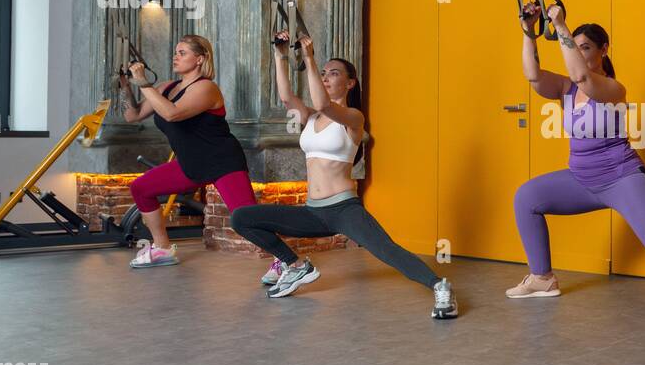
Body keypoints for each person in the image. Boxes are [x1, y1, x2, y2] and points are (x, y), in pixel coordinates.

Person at [510, 2, 645, 328]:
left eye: (586, 47)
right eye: (576, 47)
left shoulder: (612, 88)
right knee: (526, 198)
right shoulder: (565, 89)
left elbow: (582, 75)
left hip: (621, 177)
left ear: (603, 50)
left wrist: (562, 27)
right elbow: (532, 75)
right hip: (581, 179)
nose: (580, 53)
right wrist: (530, 32)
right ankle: (542, 278)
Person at [230, 32, 457, 318]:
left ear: (350, 83)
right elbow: (287, 97)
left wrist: (310, 58)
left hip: (343, 209)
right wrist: (280, 54)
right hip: (312, 212)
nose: (325, 77)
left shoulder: (353, 117)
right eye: (323, 73)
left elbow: (326, 104)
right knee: (241, 218)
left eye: (333, 73)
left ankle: (440, 287)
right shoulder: (310, 117)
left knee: (385, 250)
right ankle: (296, 266)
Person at [120, 34, 254, 269]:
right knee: (141, 188)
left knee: (247, 219)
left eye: (183, 53)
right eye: (175, 52)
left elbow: (172, 113)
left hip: (221, 162)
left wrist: (143, 84)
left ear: (200, 59)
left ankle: (287, 263)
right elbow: (132, 115)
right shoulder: (165, 88)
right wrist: (126, 87)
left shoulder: (206, 88)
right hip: (190, 165)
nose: (176, 56)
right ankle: (162, 248)